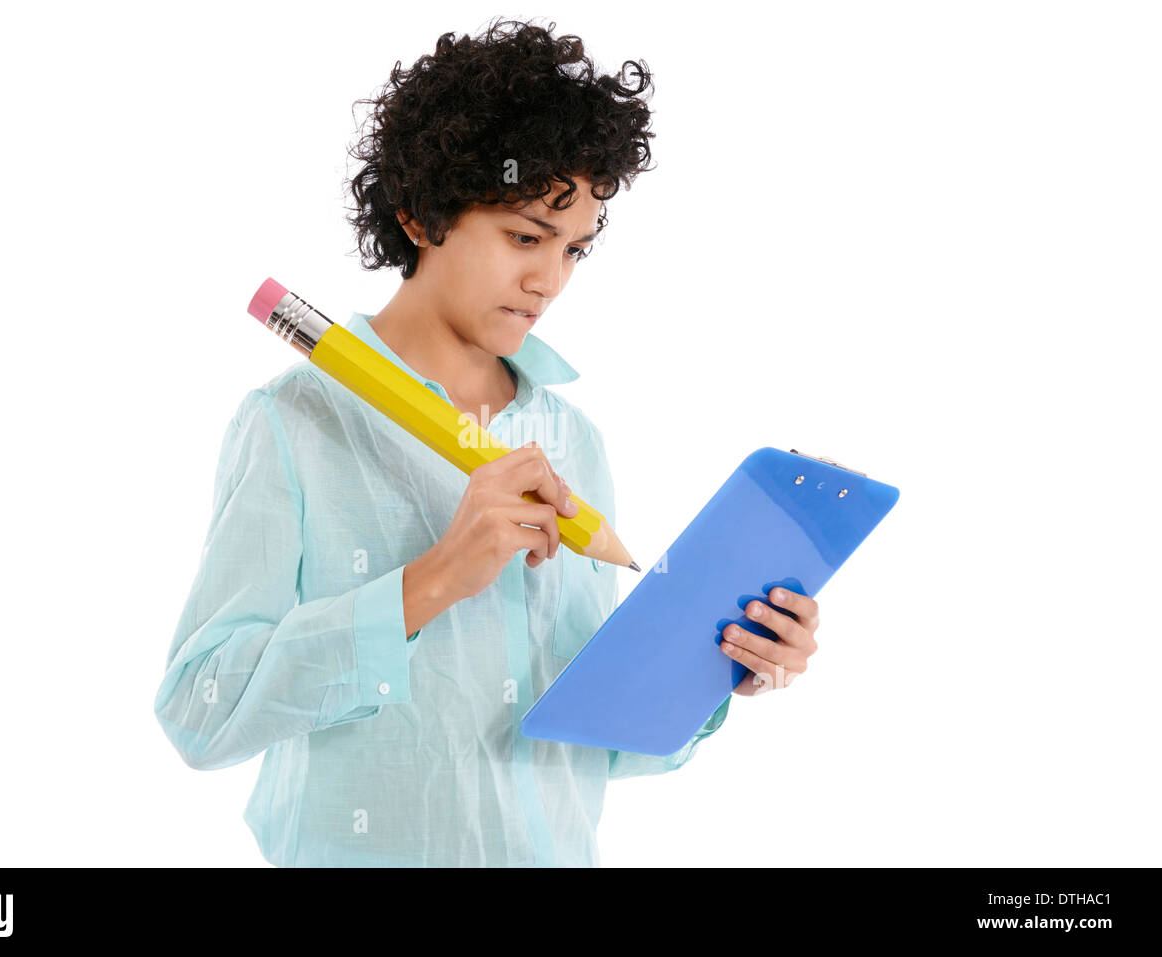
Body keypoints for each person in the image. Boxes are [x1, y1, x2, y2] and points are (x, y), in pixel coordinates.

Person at [153, 17, 820, 867]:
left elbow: (589, 741)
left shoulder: (570, 439)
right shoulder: (294, 424)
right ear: (422, 216)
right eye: (524, 236)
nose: (549, 279)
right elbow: (198, 712)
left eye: (573, 248)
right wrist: (430, 582)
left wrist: (720, 669)